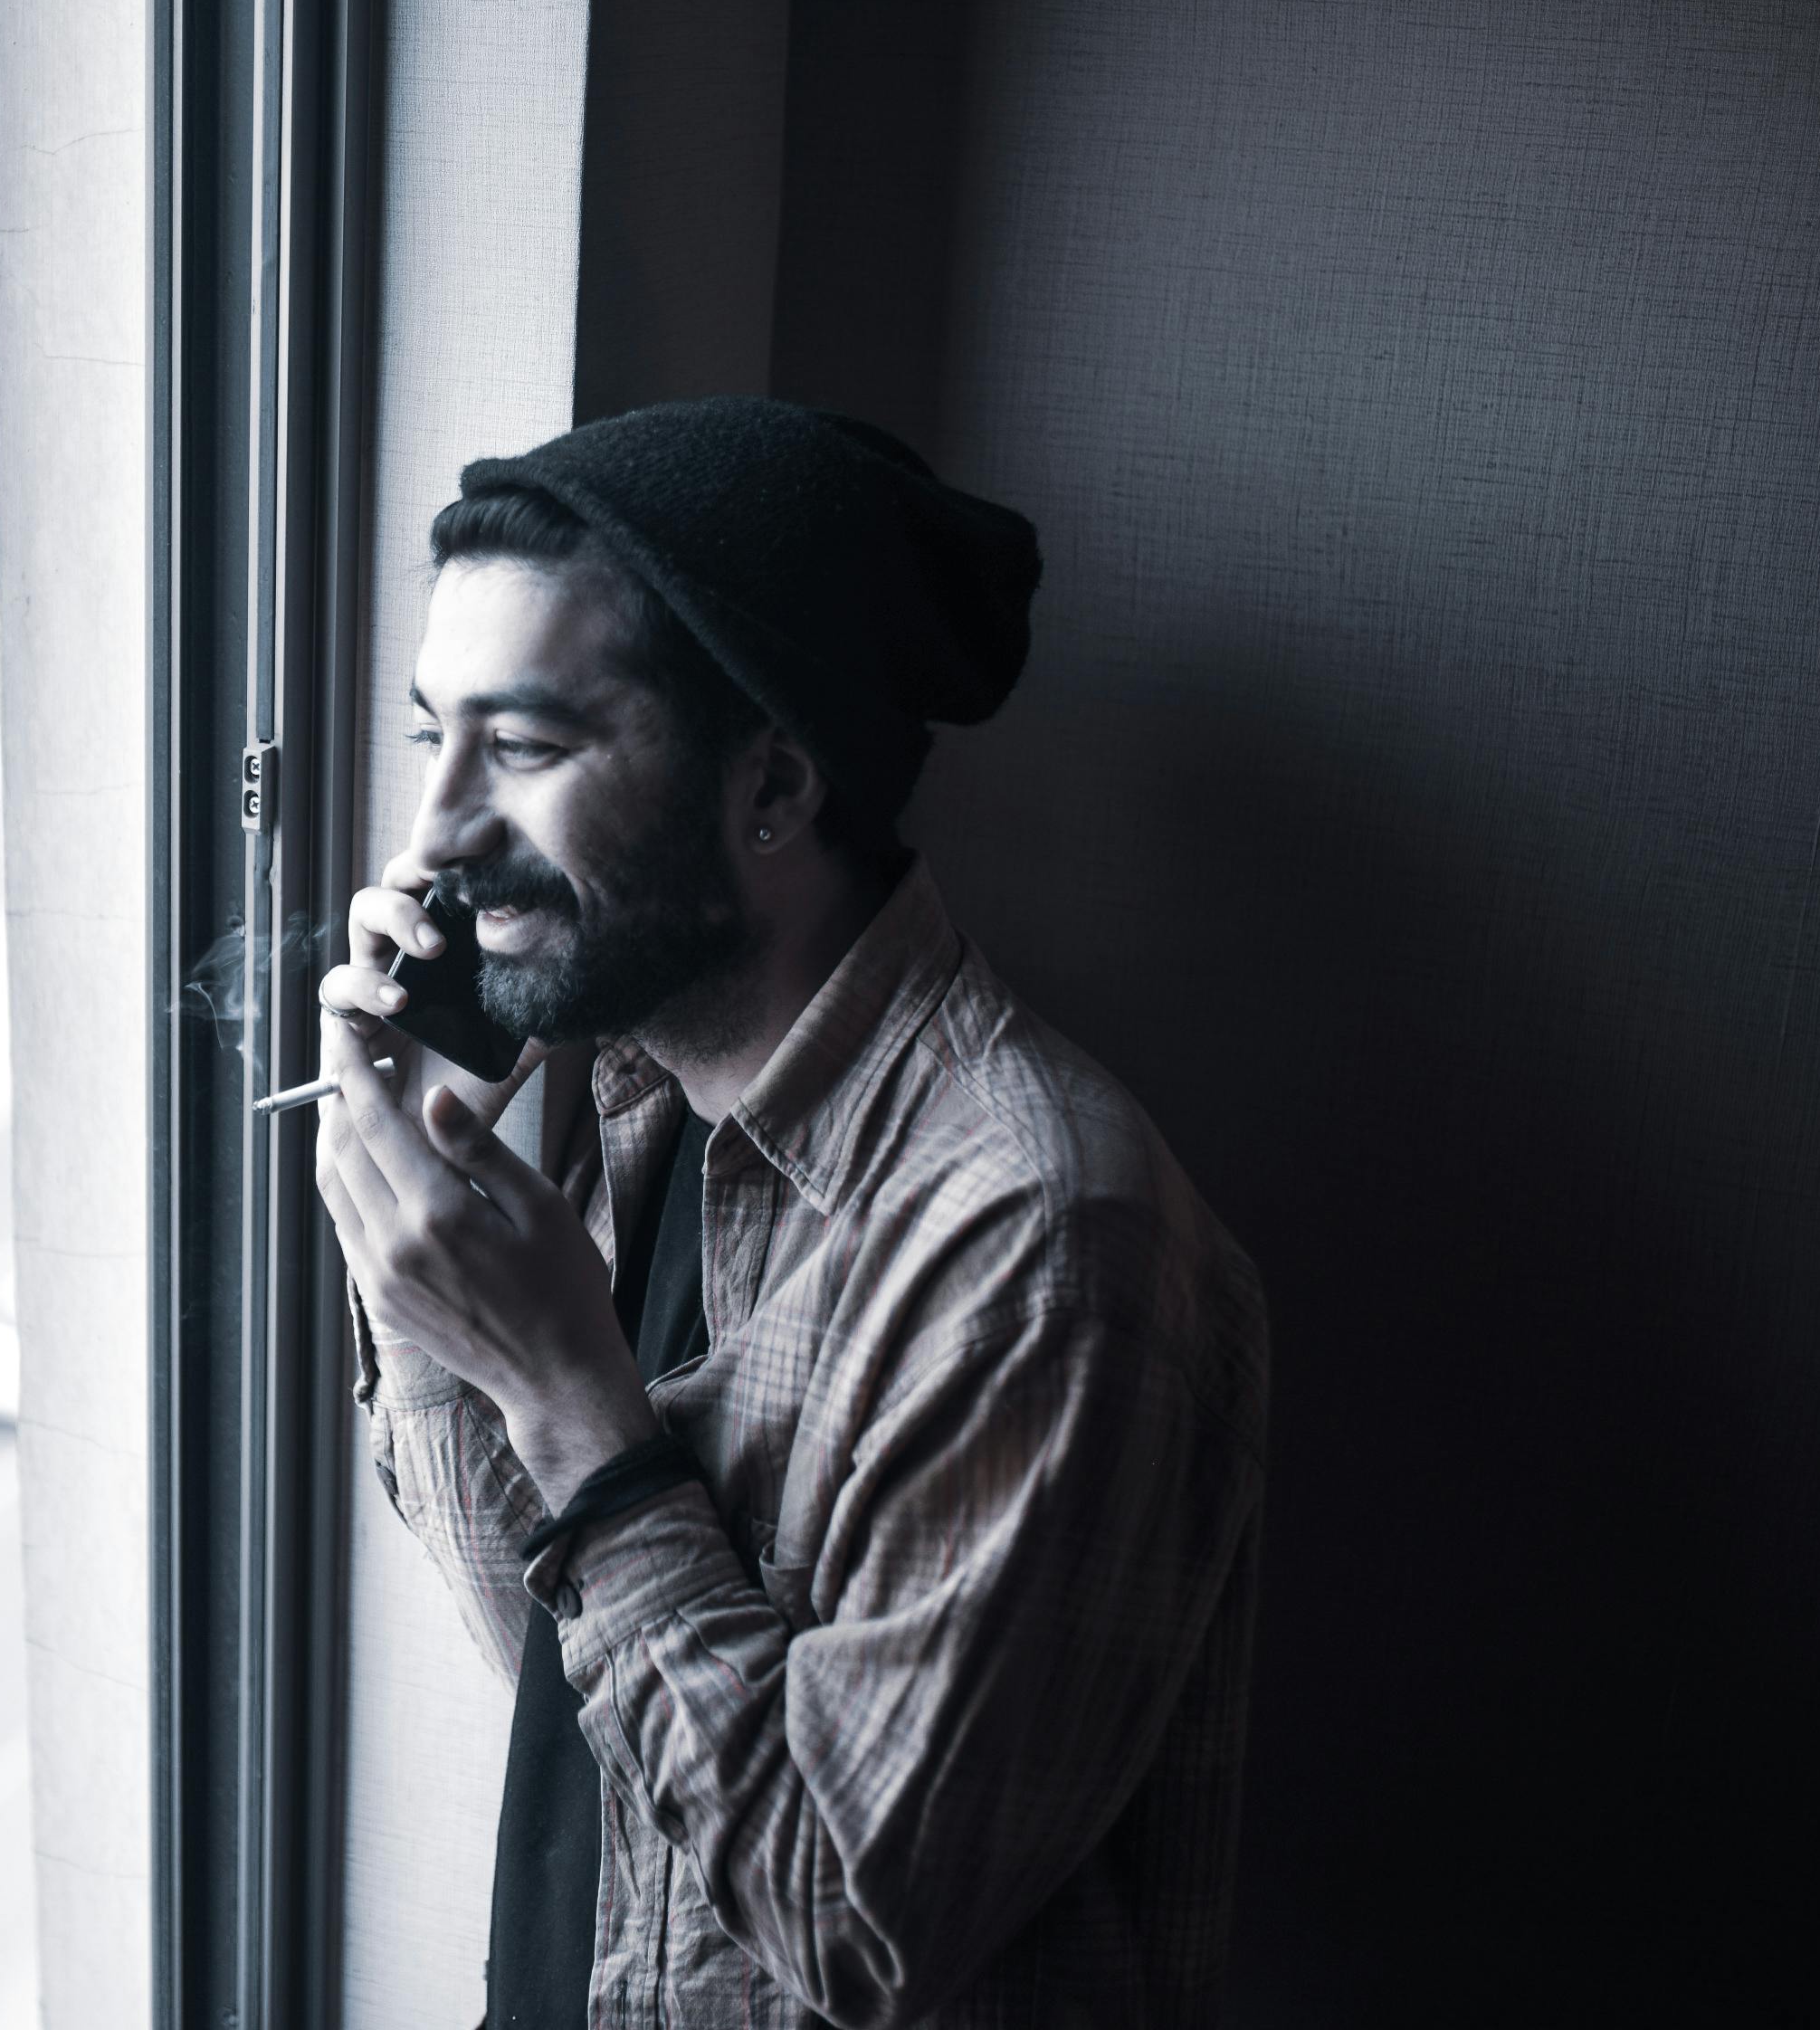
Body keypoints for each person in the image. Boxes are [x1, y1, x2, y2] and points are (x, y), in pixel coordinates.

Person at [310, 396, 1267, 2029]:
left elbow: (851, 1929)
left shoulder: (1042, 1253)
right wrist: (420, 1258)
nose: (431, 838)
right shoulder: (647, 1104)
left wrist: (567, 1397)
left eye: (523, 747)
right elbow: (579, 1687)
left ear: (771, 787)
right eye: (430, 736)